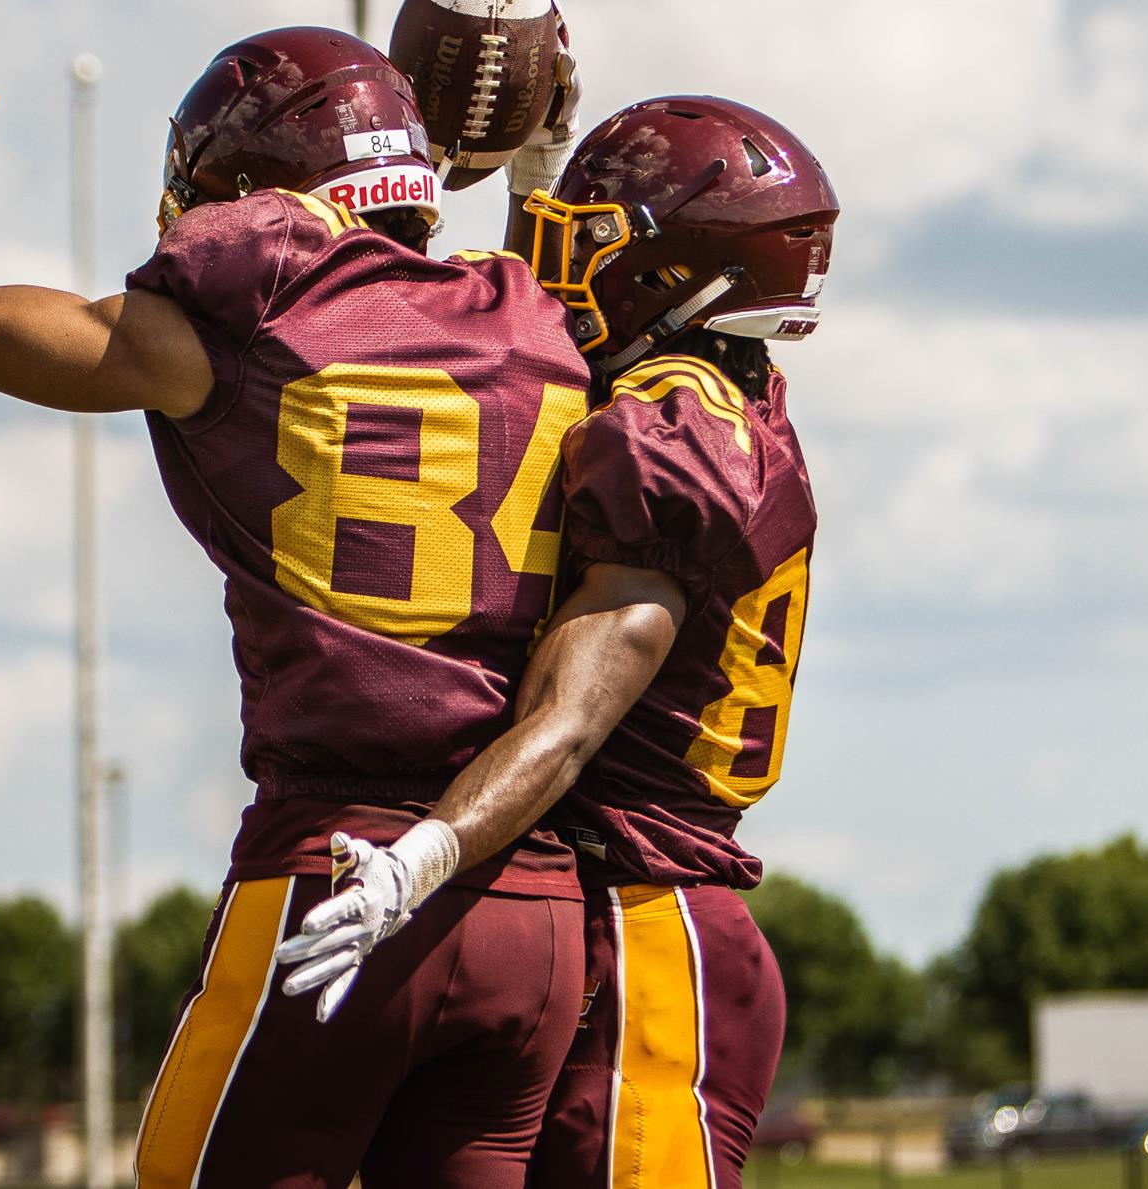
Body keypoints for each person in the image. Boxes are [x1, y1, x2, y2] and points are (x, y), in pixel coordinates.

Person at [0, 28, 680, 1189]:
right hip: (527, 902)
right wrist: (539, 165)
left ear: (250, 193)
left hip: (337, 868)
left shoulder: (230, 330)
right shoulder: (541, 323)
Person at [274, 94, 838, 1189]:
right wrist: (534, 154)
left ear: (670, 277)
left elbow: (572, 719)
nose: (549, 262)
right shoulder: (698, 394)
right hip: (615, 912)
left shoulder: (668, 431)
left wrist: (427, 852)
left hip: (648, 919)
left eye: (585, 241)